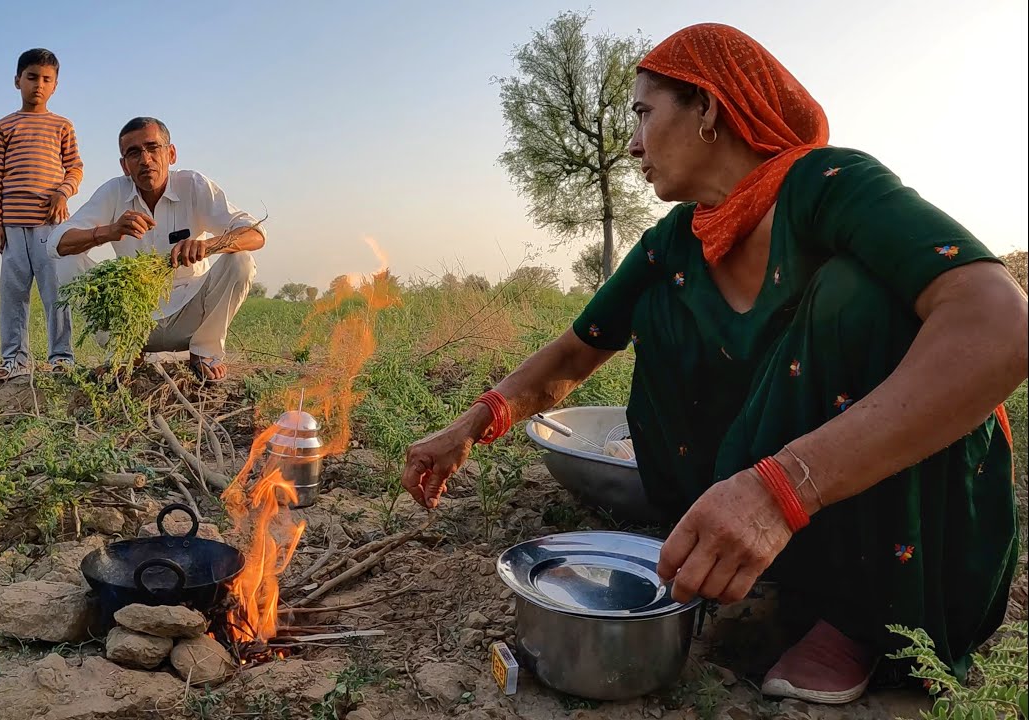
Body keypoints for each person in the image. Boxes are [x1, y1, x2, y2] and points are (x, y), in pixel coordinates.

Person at [400, 23, 1027, 705]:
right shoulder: (674, 241)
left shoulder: (829, 186)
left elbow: (1001, 323)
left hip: (907, 519)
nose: (632, 142)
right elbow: (578, 350)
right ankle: (760, 559)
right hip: (773, 493)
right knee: (661, 305)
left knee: (862, 296)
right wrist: (471, 424)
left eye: (644, 112)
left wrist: (780, 490)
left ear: (708, 109)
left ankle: (861, 621)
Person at [48, 116, 264, 383]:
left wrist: (208, 245)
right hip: (134, 320)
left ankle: (204, 352)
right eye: (134, 152)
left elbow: (255, 233)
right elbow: (56, 244)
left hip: (190, 313)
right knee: (66, 262)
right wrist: (108, 231)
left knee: (241, 261)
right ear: (124, 165)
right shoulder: (114, 192)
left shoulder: (193, 186)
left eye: (153, 148)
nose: (145, 159)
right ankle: (125, 354)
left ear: (171, 154)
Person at [0, 48, 83, 381]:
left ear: (55, 85)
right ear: (17, 81)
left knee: (56, 293)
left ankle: (62, 357)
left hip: (51, 226)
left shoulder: (62, 126)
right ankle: (14, 359)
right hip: (12, 225)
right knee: (13, 295)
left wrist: (62, 192)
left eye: (46, 79)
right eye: (31, 78)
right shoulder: (4, 127)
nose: (38, 85)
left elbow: (75, 168)